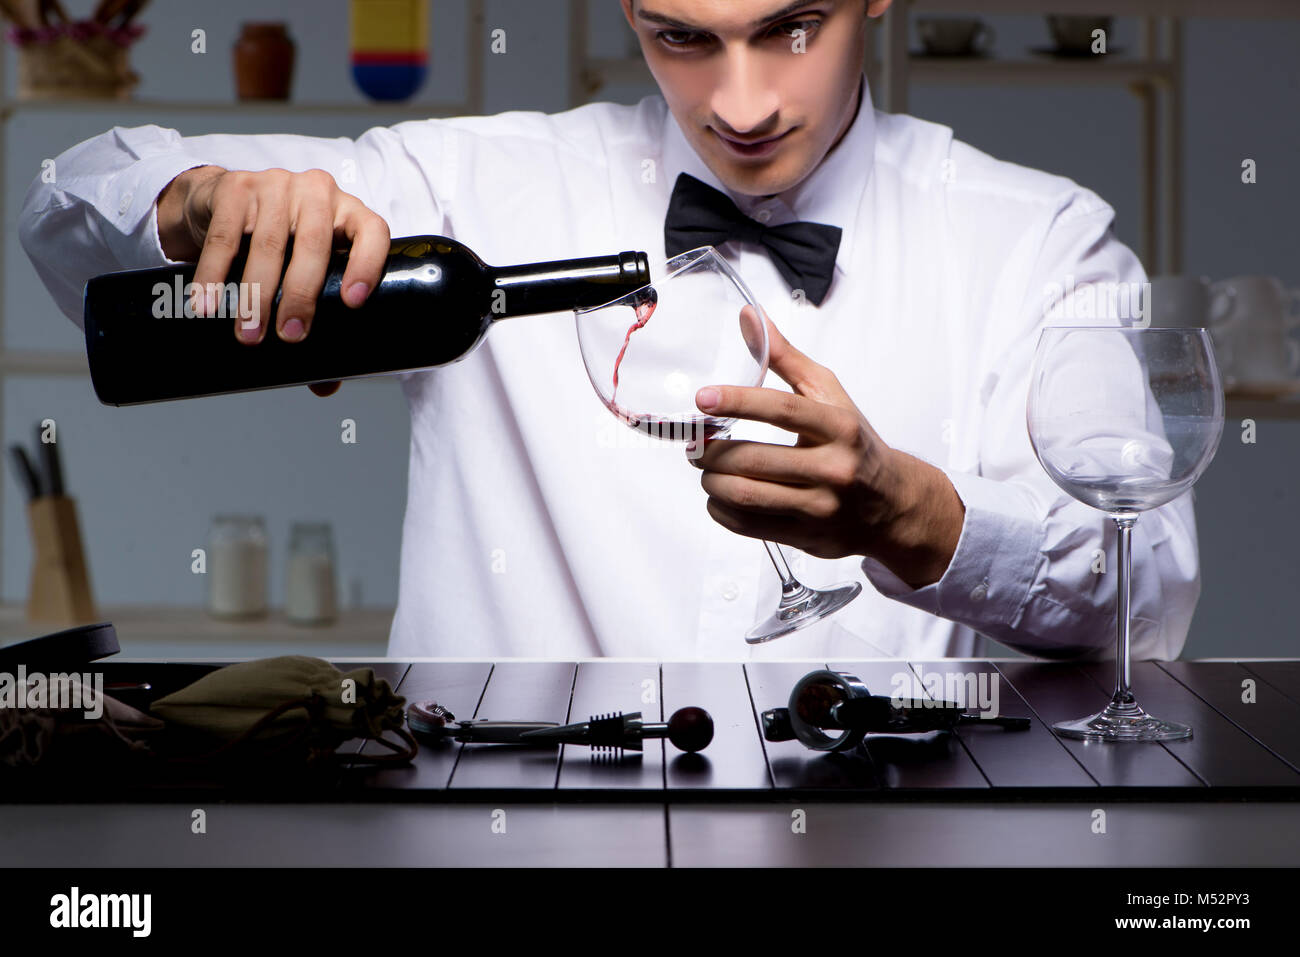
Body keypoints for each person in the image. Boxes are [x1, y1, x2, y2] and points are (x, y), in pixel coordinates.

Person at [19, 0, 1200, 661]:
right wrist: (195, 204)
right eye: (682, 36)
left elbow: (1145, 591)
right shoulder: (470, 186)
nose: (740, 105)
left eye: (792, 26)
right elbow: (74, 205)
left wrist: (919, 521)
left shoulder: (1039, 240)